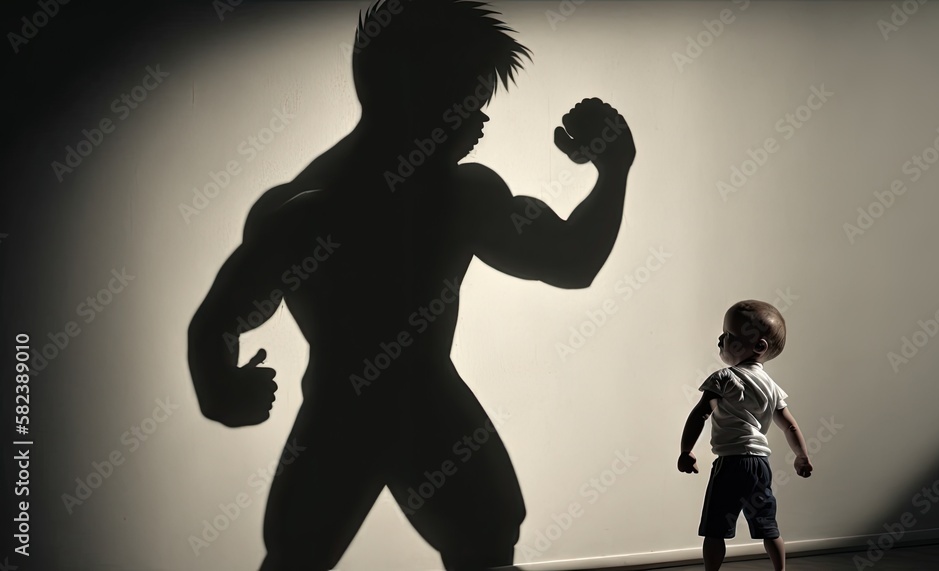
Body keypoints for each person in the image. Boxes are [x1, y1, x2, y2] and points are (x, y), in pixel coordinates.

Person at [186, 1, 636, 569]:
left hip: (372, 411)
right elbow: (218, 320)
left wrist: (223, 386)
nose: (480, 122)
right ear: (414, 97)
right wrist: (614, 169)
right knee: (319, 550)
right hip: (397, 409)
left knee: (475, 537)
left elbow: (570, 264)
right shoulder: (332, 212)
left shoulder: (320, 212)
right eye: (468, 103)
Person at [678, 300, 813, 571]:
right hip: (760, 465)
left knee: (715, 528)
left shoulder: (724, 378)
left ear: (758, 346)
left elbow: (701, 414)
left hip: (730, 463)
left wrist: (686, 450)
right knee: (768, 526)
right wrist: (801, 456)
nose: (721, 338)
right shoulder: (772, 387)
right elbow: (790, 426)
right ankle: (780, 570)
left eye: (728, 335)